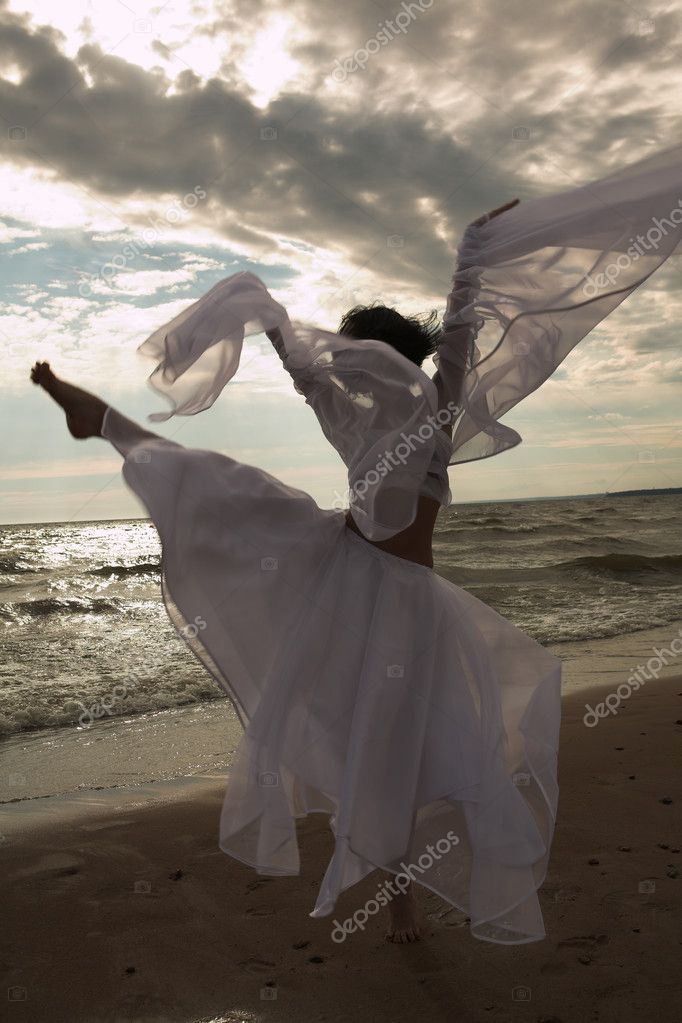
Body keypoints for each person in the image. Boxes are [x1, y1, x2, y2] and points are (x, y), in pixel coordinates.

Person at [30, 141, 682, 944]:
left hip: (382, 599)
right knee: (226, 501)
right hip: (354, 582)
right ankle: (96, 418)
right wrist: (278, 318)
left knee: (395, 743)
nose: (353, 377)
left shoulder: (416, 412)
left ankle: (398, 883)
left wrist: (470, 257)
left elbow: (452, 336)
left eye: (365, 363)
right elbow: (322, 368)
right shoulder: (381, 419)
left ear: (390, 363)